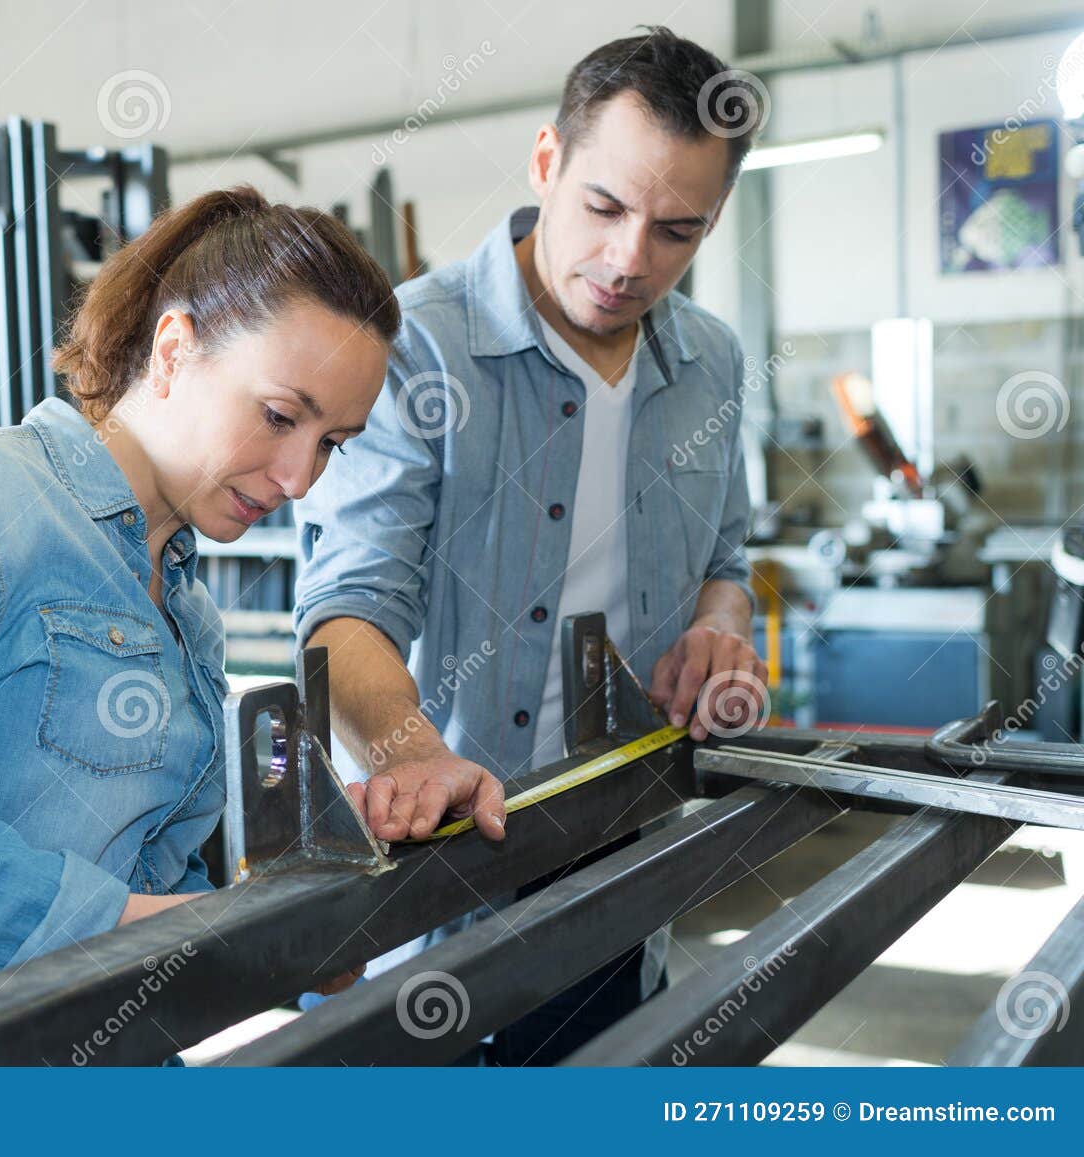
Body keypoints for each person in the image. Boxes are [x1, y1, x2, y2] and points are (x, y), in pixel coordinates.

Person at [0, 185, 399, 1054]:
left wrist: (295, 902)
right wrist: (132, 925)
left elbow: (158, 876)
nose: (299, 477)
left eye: (330, 442)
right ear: (173, 350)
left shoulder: (189, 615)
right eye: (280, 416)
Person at [293, 27, 771, 1064]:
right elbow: (345, 608)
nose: (627, 260)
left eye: (677, 230)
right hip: (434, 866)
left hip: (619, 852)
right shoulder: (414, 345)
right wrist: (412, 752)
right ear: (546, 162)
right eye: (603, 207)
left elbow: (724, 563)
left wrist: (719, 632)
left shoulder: (709, 366)